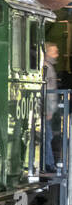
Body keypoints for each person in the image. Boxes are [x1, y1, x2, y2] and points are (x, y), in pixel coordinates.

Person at [43, 41, 63, 171]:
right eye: (54, 52)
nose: (57, 55)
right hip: (46, 109)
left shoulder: (47, 67)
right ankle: (49, 164)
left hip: (45, 108)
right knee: (47, 136)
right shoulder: (47, 68)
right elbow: (49, 91)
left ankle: (49, 163)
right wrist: (49, 110)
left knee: (47, 135)